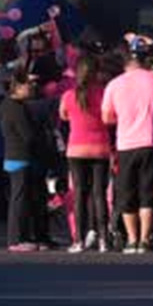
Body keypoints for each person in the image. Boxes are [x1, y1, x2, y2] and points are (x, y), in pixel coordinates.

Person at [102, 38, 153, 254]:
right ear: (148, 60)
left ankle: (131, 239)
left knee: (127, 193)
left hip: (126, 143)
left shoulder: (115, 84)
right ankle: (145, 239)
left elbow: (107, 117)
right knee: (148, 192)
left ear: (126, 61)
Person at [60, 54, 110, 253]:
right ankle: (103, 239)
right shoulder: (103, 93)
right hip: (100, 147)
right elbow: (109, 117)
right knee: (99, 194)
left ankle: (78, 239)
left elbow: (63, 116)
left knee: (80, 193)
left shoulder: (69, 95)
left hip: (76, 148)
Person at [1, 69, 53, 252]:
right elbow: (28, 135)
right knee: (19, 199)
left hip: (17, 156)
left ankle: (25, 235)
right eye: (28, 85)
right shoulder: (15, 108)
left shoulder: (12, 105)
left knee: (25, 198)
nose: (31, 88)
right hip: (19, 156)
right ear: (18, 87)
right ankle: (16, 238)